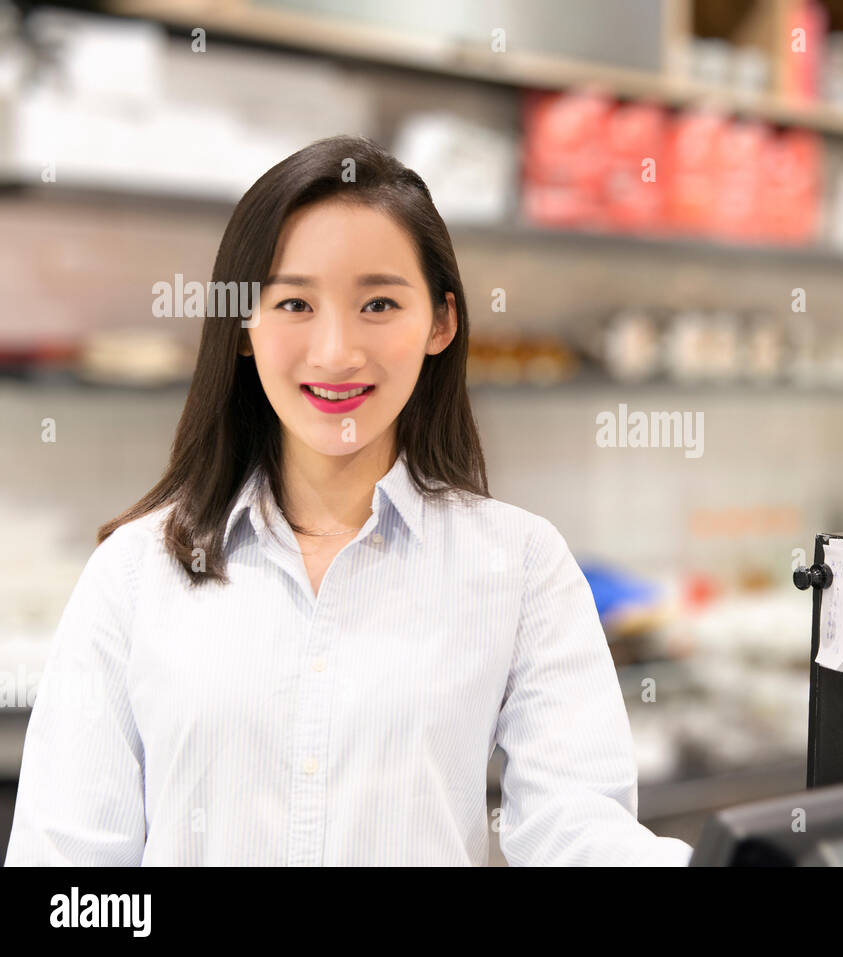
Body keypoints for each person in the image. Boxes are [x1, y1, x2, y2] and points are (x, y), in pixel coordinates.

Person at [5, 135, 693, 867]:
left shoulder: (520, 566)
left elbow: (575, 829)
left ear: (440, 322)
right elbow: (68, 869)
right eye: (295, 302)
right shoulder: (135, 572)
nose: (336, 351)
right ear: (244, 324)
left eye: (379, 303)